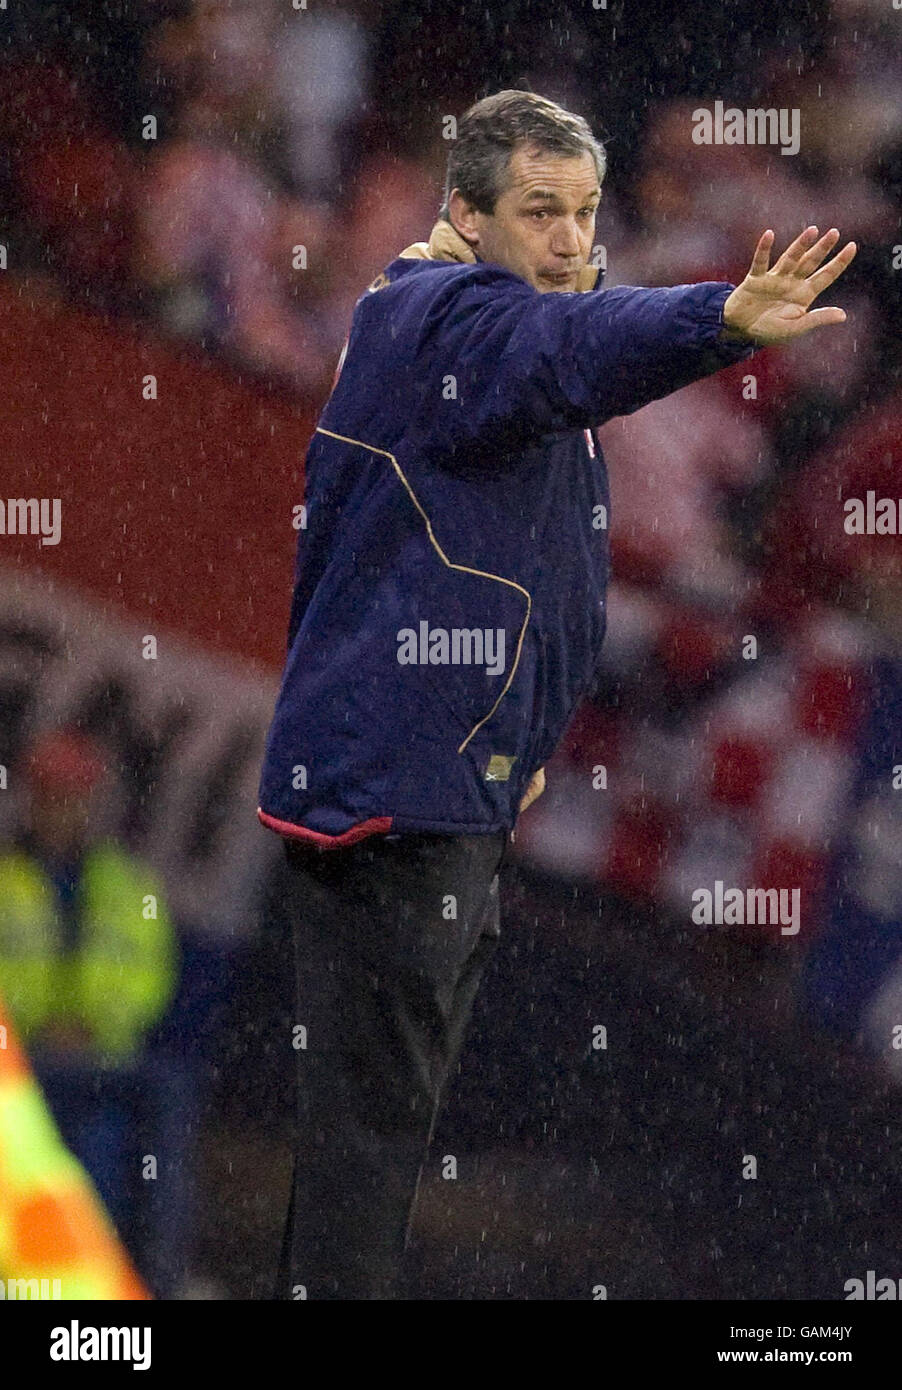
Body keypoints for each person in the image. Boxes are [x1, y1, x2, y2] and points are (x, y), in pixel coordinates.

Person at [257, 90, 857, 1300]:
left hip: (439, 776)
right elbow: (571, 353)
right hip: (401, 785)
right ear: (463, 214)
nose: (570, 241)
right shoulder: (448, 319)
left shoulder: (473, 330)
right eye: (539, 213)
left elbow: (513, 565)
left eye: (585, 214)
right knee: (372, 1127)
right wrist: (718, 320)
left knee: (381, 1118)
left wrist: (521, 738)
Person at [0, 728, 178, 1240]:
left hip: (102, 1067)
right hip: (18, 1065)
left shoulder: (129, 886)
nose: (60, 811)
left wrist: (92, 1025)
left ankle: (149, 1277)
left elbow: (152, 980)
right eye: (50, 796)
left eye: (73, 798)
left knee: (156, 1105)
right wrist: (37, 1028)